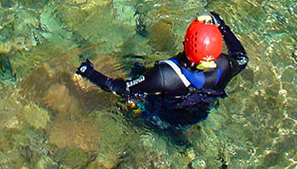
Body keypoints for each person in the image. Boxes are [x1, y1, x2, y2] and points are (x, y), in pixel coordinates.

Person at [76, 11, 247, 131]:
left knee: (132, 91)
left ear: (186, 42)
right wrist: (222, 26)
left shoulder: (166, 74)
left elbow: (119, 88)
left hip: (168, 118)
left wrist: (89, 73)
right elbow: (242, 58)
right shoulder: (226, 65)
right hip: (198, 113)